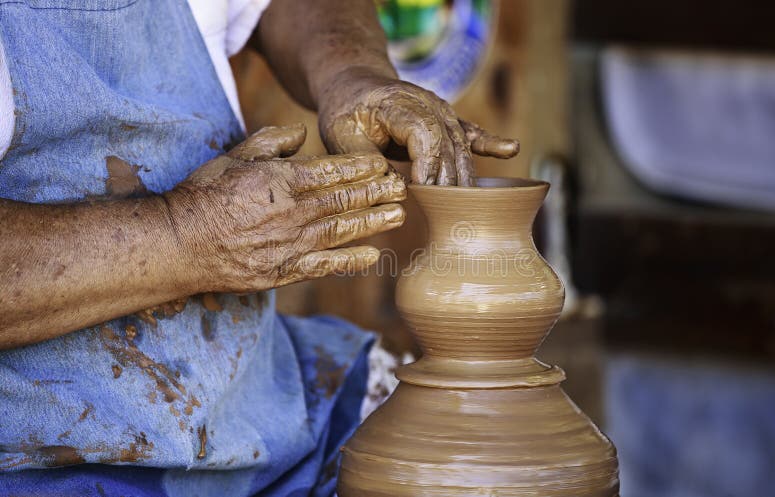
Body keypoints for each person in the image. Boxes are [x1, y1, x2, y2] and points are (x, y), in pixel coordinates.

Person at [0, 0, 518, 495]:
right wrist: (184, 236)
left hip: (261, 403)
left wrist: (350, 72)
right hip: (41, 462)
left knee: (495, 464)